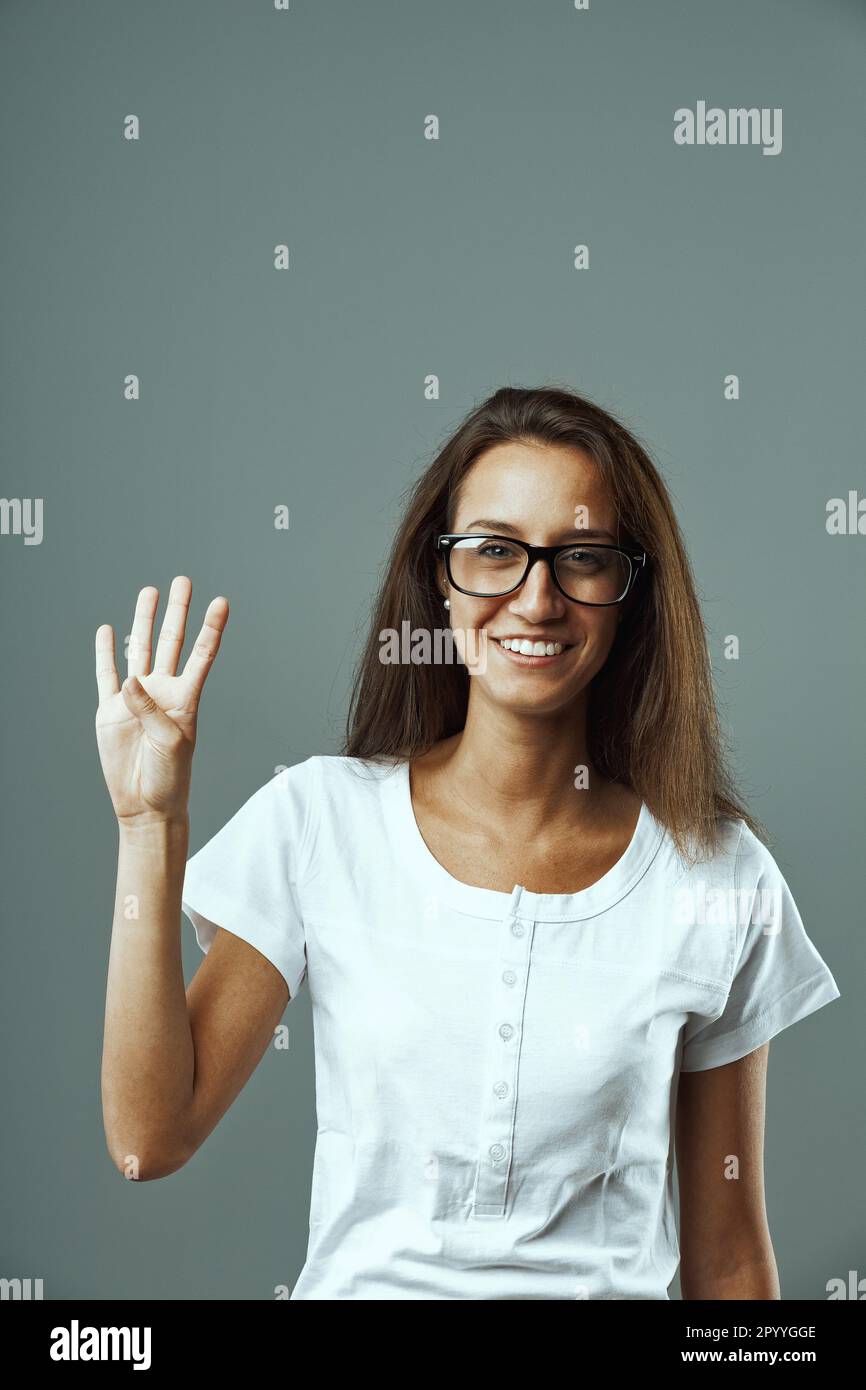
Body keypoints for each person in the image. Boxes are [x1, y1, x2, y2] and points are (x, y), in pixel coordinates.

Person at [96, 384, 841, 1300]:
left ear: (631, 593)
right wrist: (148, 824)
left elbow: (728, 1261)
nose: (536, 598)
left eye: (584, 558)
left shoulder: (718, 874)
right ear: (438, 579)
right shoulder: (319, 822)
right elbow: (147, 1140)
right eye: (494, 551)